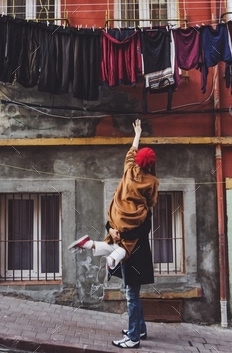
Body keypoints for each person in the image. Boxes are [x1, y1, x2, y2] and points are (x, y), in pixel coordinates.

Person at [68, 118, 158, 349]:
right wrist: (117, 232)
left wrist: (137, 133)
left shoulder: (129, 172)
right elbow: (147, 216)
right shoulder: (151, 186)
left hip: (133, 252)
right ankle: (140, 330)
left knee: (131, 295)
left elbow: (132, 151)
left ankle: (133, 338)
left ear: (137, 163)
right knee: (132, 292)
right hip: (132, 247)